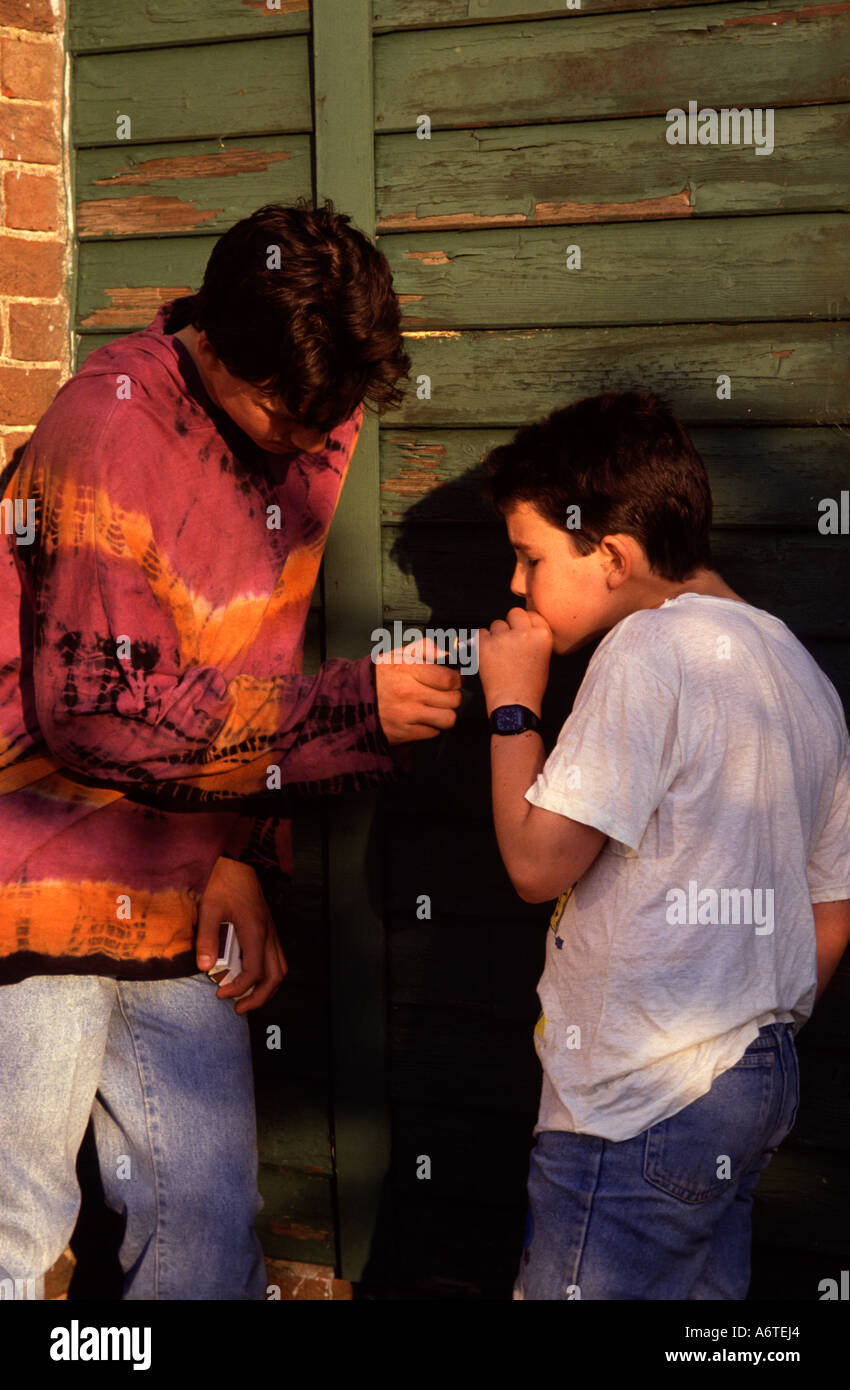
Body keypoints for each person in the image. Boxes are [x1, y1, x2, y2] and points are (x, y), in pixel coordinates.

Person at [0, 200, 462, 1300]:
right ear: (214, 345)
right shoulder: (107, 425)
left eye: (334, 413)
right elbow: (97, 706)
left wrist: (241, 851)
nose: (315, 436)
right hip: (33, 867)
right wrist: (347, 714)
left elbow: (248, 642)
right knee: (16, 1227)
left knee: (209, 1222)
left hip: (172, 875)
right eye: (290, 413)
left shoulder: (309, 413)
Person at [474, 390, 850, 1299]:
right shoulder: (797, 667)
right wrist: (739, 1033)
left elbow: (536, 865)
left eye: (530, 556)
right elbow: (829, 915)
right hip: (749, 1084)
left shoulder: (647, 651)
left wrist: (513, 703)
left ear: (613, 556)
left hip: (634, 1099)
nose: (516, 585)